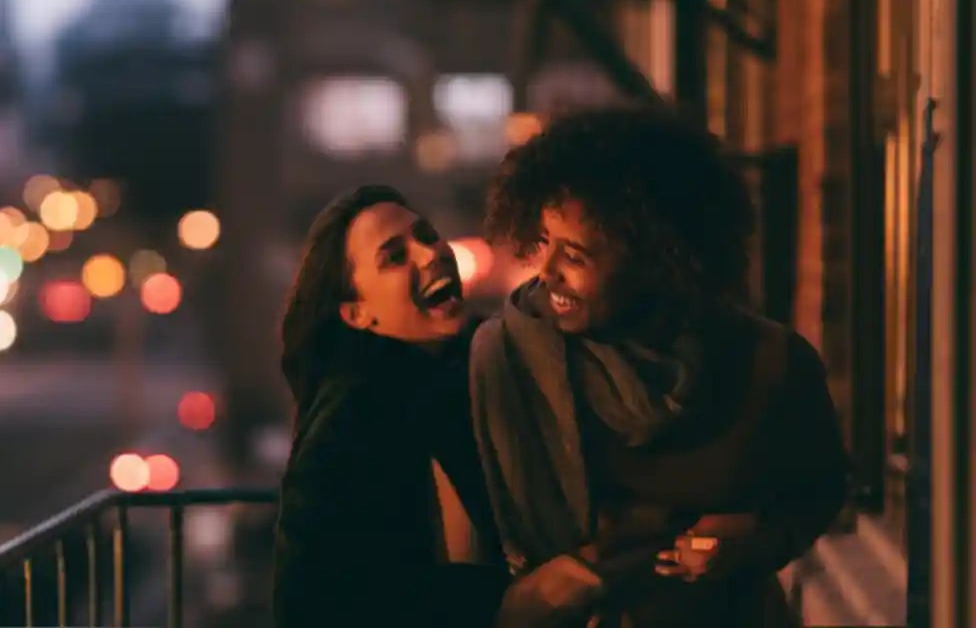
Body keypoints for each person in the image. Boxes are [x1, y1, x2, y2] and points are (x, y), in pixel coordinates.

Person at [470, 107, 850, 627]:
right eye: (543, 244)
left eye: (576, 256)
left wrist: (751, 538)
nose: (548, 273)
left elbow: (821, 489)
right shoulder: (509, 359)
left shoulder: (768, 361)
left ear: (657, 258)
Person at [272, 185, 602, 628]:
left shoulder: (473, 370)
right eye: (394, 257)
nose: (430, 254)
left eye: (426, 235)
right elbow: (316, 602)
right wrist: (503, 604)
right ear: (356, 313)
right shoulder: (353, 415)